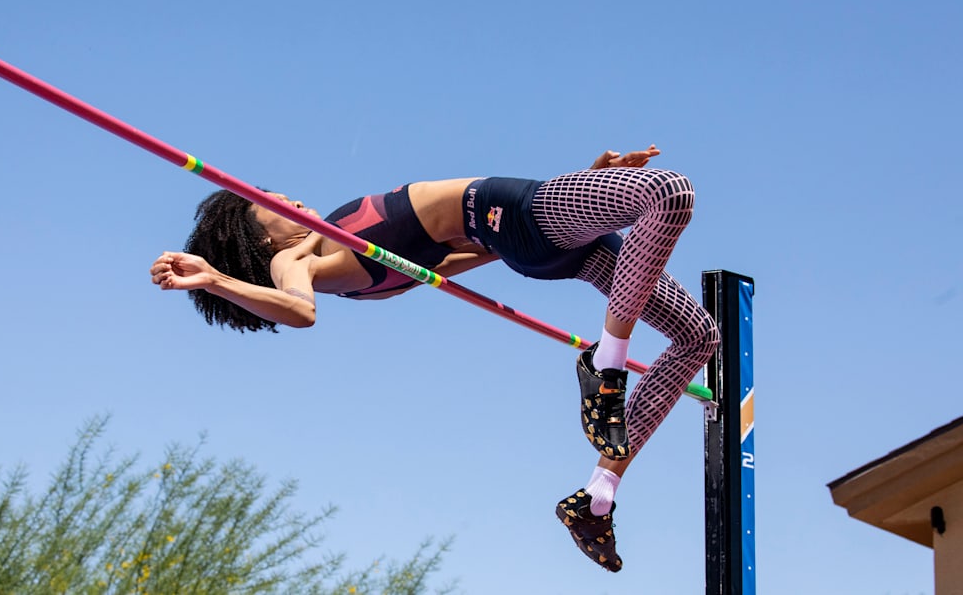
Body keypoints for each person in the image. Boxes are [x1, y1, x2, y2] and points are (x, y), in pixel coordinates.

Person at [149, 145, 720, 572]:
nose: (286, 198)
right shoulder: (300, 262)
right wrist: (217, 278)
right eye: (266, 204)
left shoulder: (344, 268)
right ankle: (608, 363)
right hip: (514, 215)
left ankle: (597, 495)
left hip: (531, 242)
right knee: (669, 192)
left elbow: (462, 258)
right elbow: (298, 311)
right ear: (262, 243)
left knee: (699, 338)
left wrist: (586, 195)